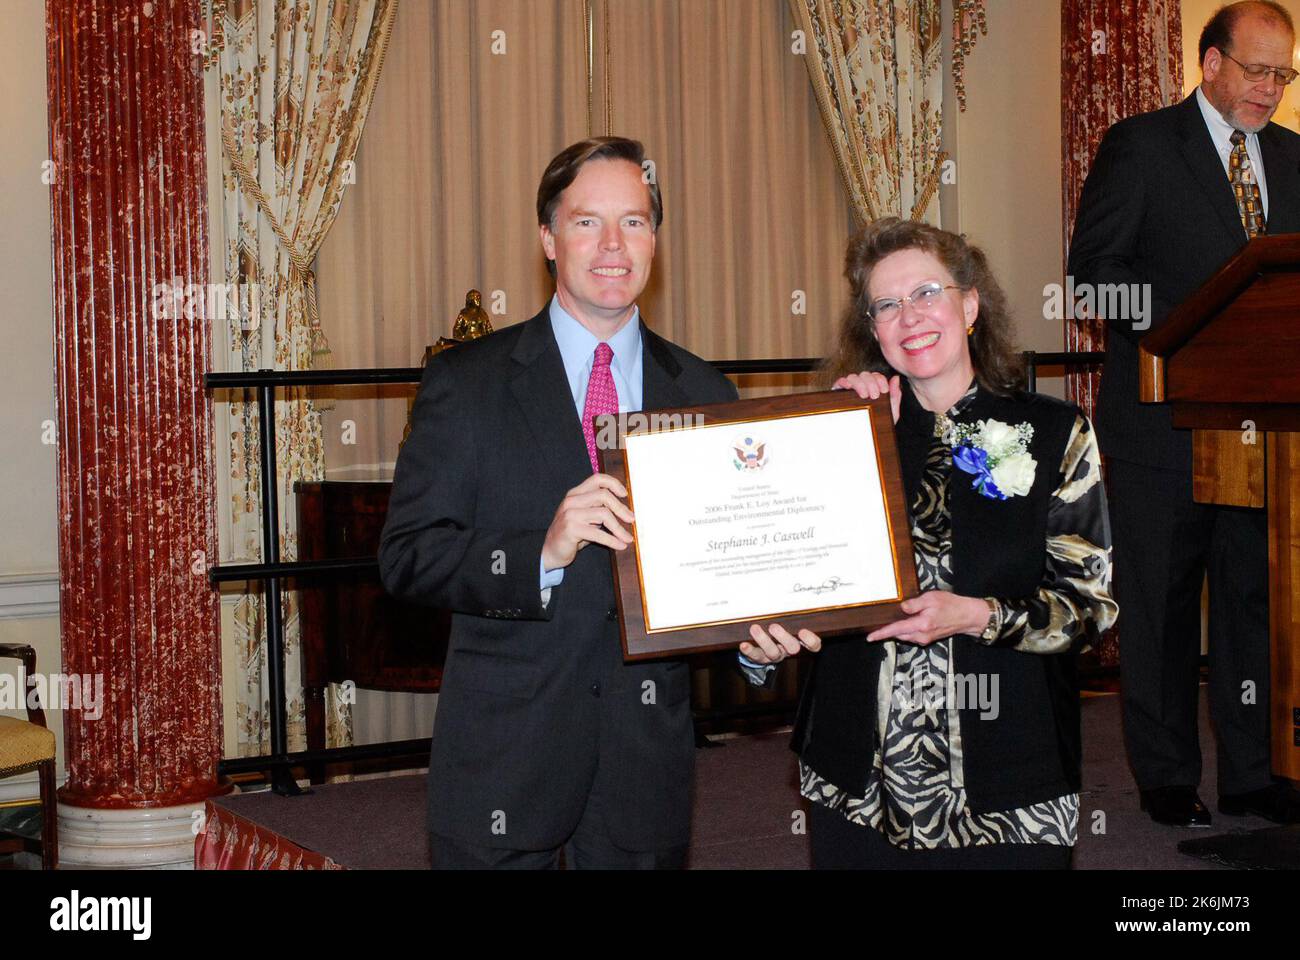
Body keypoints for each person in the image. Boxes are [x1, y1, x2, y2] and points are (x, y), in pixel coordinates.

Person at [380, 137, 737, 868]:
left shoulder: (706, 393)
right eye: (587, 222)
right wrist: (539, 553)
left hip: (645, 774)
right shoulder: (466, 383)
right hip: (503, 764)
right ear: (547, 237)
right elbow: (406, 556)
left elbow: (727, 574)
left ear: (655, 239)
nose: (613, 245)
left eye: (634, 222)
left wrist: (760, 642)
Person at [739, 218, 1117, 869]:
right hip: (856, 785)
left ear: (970, 305)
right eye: (886, 304)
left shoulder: (1052, 432)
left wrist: (976, 615)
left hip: (1011, 788)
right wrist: (849, 441)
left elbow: (1089, 609)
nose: (908, 316)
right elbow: (778, 594)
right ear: (872, 329)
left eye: (926, 293)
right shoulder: (842, 432)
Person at [1068, 0, 1300, 827]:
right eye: (1257, 70)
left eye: (1284, 74)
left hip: (1264, 432)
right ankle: (1166, 776)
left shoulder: (1295, 158)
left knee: (1250, 605)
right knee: (1163, 608)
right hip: (1161, 426)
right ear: (1210, 64)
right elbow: (1094, 277)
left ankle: (1253, 773)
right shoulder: (1141, 146)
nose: (1270, 90)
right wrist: (1197, 317)